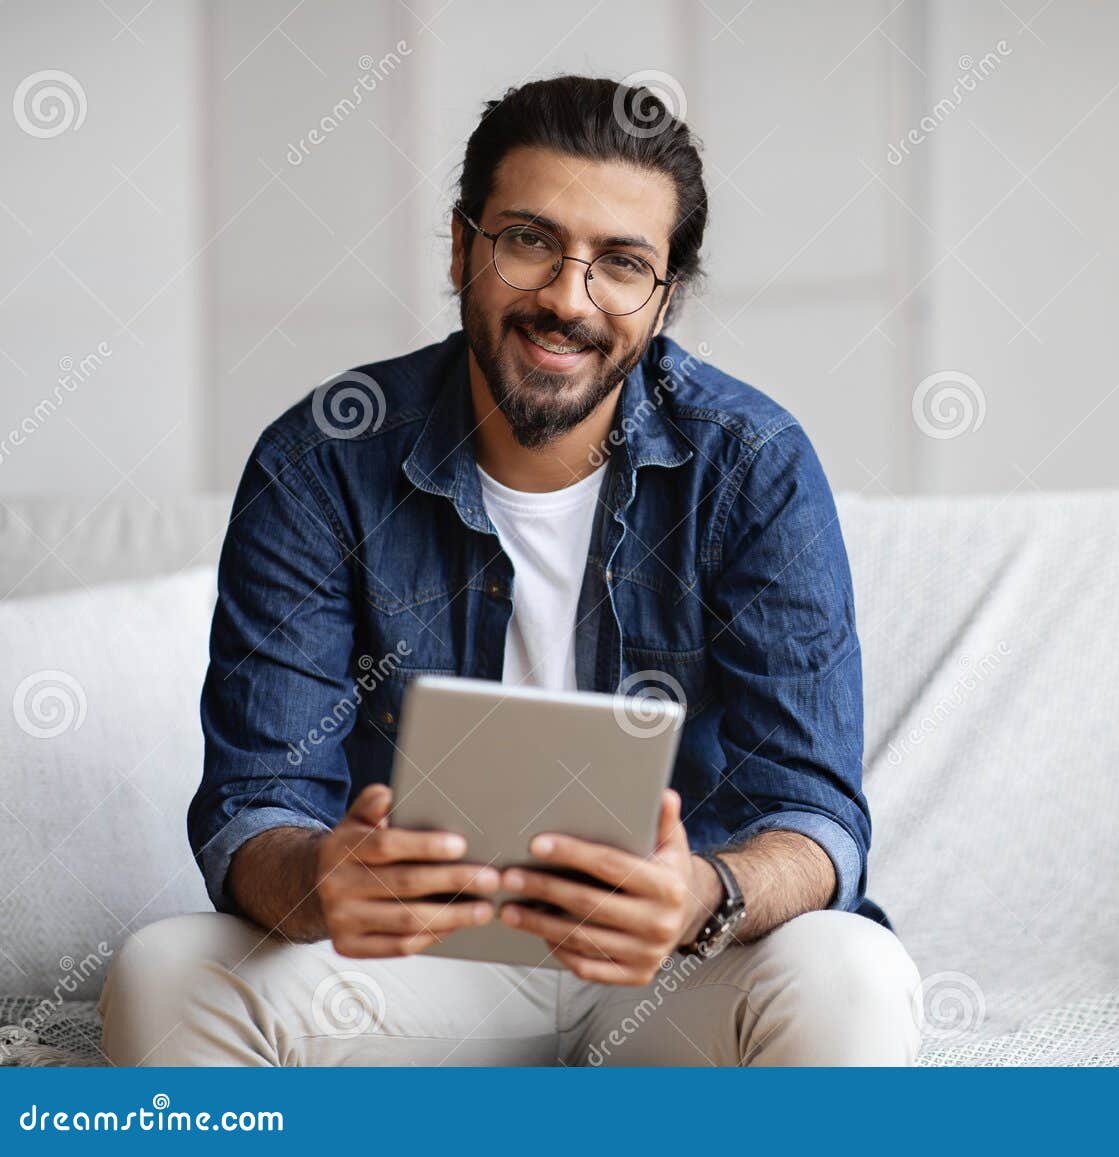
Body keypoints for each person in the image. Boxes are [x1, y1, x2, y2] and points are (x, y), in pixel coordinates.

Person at [98, 75, 921, 1067]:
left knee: (854, 972)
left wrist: (704, 892)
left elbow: (814, 812)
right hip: (414, 964)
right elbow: (253, 800)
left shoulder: (753, 463)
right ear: (462, 247)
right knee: (164, 970)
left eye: (621, 263)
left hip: (669, 967)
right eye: (529, 240)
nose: (566, 300)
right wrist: (325, 874)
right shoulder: (319, 458)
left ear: (664, 299)